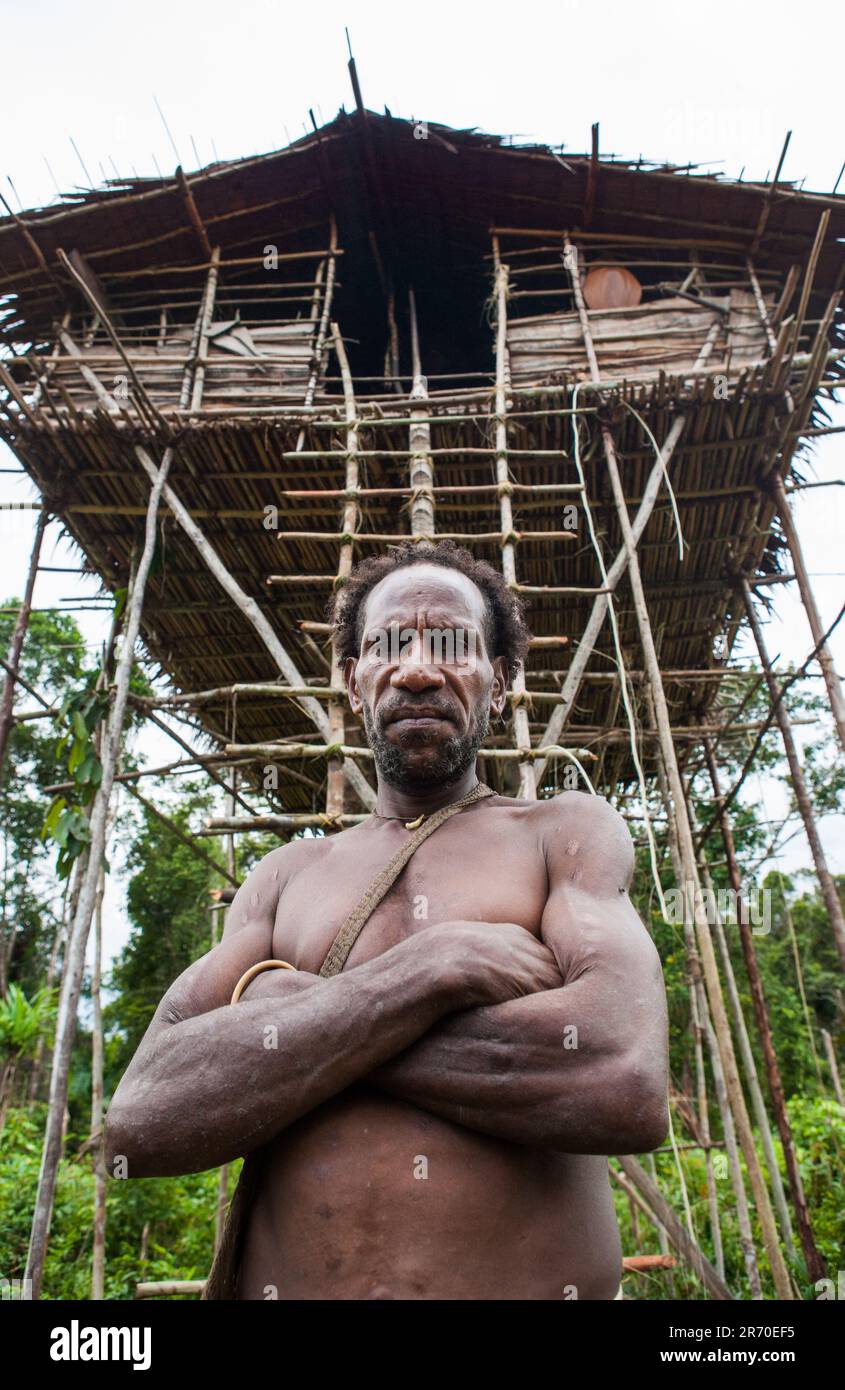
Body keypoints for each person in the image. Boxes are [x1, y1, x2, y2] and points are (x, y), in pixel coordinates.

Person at [105, 539, 669, 1300]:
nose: (417, 670)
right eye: (388, 645)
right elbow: (143, 1121)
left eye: (452, 646)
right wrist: (426, 971)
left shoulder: (561, 836)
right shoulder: (284, 877)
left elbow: (618, 1079)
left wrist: (292, 1021)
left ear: (499, 682)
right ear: (352, 680)